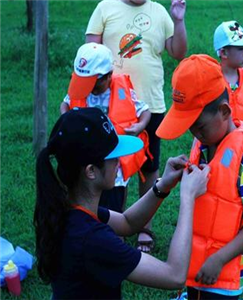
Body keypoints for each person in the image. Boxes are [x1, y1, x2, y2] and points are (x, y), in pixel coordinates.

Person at [34, 107, 210, 300]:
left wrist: (163, 186)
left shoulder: (70, 209)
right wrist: (188, 197)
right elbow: (174, 276)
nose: (119, 161)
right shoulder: (93, 240)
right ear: (91, 171)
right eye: (113, 157)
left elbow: (127, 223)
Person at [156, 55, 243, 300]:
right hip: (195, 265)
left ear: (224, 111)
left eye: (199, 127)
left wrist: (219, 258)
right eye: (190, 127)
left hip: (222, 277)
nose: (195, 134)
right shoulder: (205, 144)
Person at [85, 0, 187, 252]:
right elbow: (90, 52)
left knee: (148, 167)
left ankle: (144, 227)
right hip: (111, 108)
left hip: (149, 106)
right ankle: (113, 226)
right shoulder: (105, 8)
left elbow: (178, 52)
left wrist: (178, 20)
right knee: (112, 168)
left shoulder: (160, 12)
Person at [60, 42, 151, 214]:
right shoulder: (81, 88)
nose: (89, 90)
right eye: (85, 84)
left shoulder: (122, 89)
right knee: (84, 202)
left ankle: (114, 235)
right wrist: (66, 119)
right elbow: (65, 104)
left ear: (109, 75)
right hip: (86, 160)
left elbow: (144, 111)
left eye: (94, 84)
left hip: (113, 165)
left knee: (113, 207)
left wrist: (140, 126)